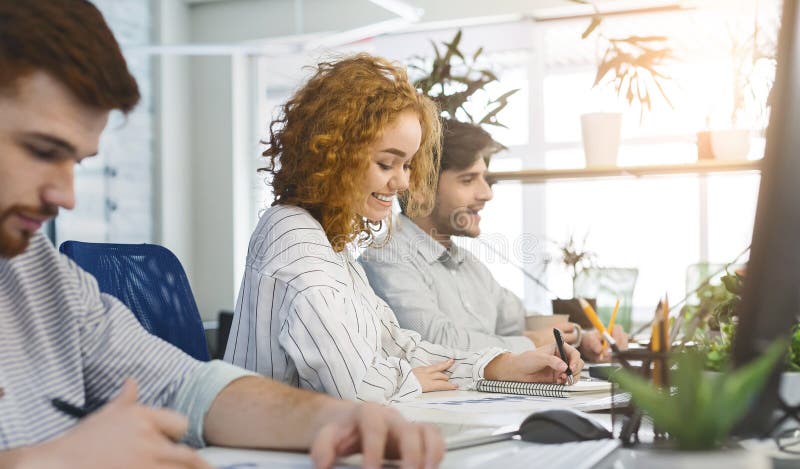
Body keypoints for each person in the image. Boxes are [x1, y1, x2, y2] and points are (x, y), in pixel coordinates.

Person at [0, 2, 444, 468]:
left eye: (77, 162)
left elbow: (184, 386)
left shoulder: (37, 271)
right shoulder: (292, 232)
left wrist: (332, 419)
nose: (67, 196)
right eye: (41, 150)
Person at [224, 54, 584, 404]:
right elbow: (354, 384)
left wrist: (501, 364)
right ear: (333, 155)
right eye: (386, 163)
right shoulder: (292, 237)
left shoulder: (330, 244)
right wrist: (407, 378)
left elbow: (397, 345)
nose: (401, 183)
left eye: (408, 165)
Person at [359, 119, 629, 361]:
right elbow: (434, 343)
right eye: (468, 180)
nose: (487, 194)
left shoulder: (470, 265)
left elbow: (520, 320)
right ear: (419, 188)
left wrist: (585, 338)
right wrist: (532, 343)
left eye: (485, 180)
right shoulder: (385, 257)